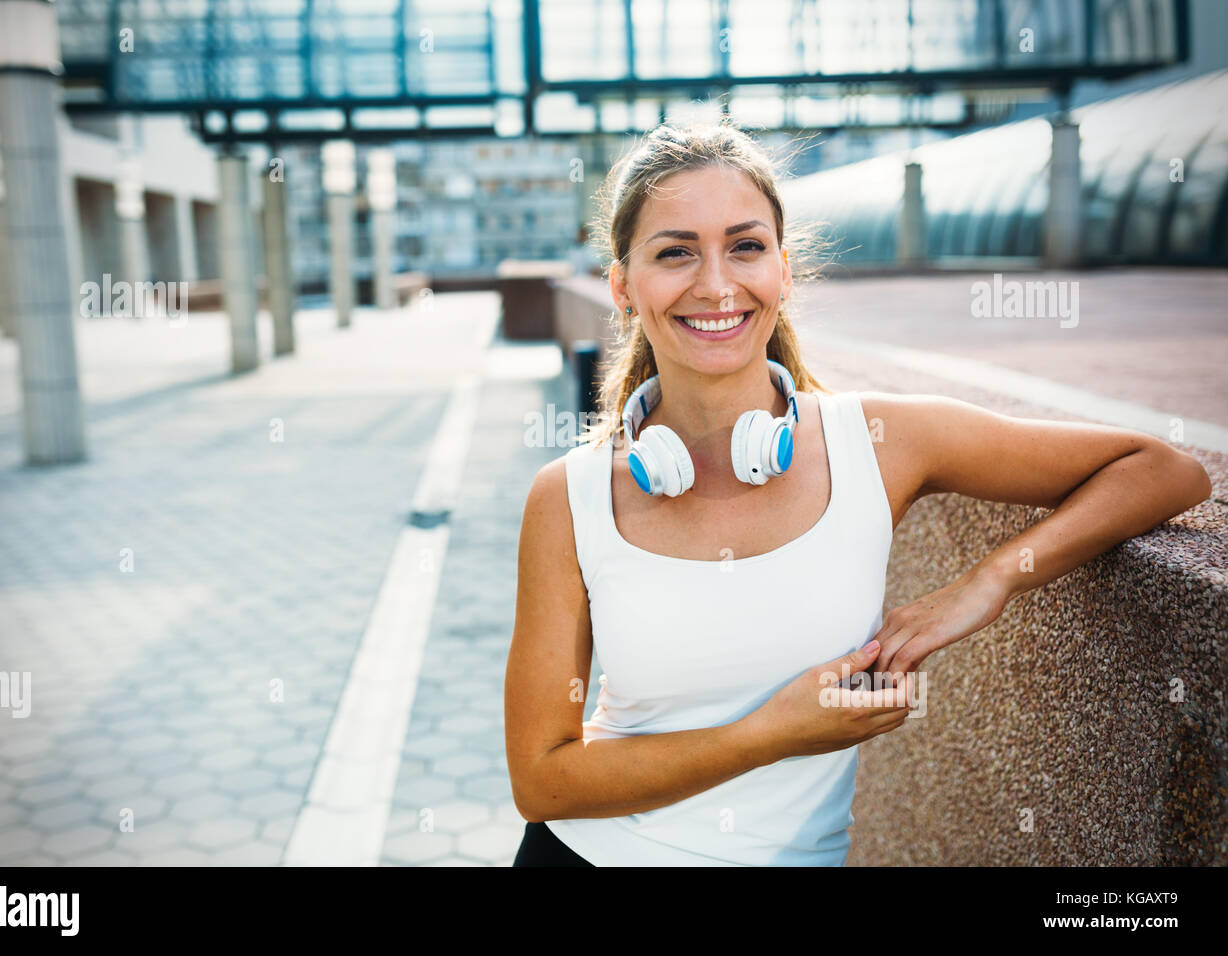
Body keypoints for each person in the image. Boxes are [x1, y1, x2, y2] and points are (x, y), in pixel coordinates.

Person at [503, 121, 1211, 867]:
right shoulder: (571, 496)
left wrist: (991, 581)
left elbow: (1164, 469)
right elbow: (542, 782)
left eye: (745, 246)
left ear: (783, 268)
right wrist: (773, 732)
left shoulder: (878, 442)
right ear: (622, 287)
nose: (716, 284)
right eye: (675, 252)